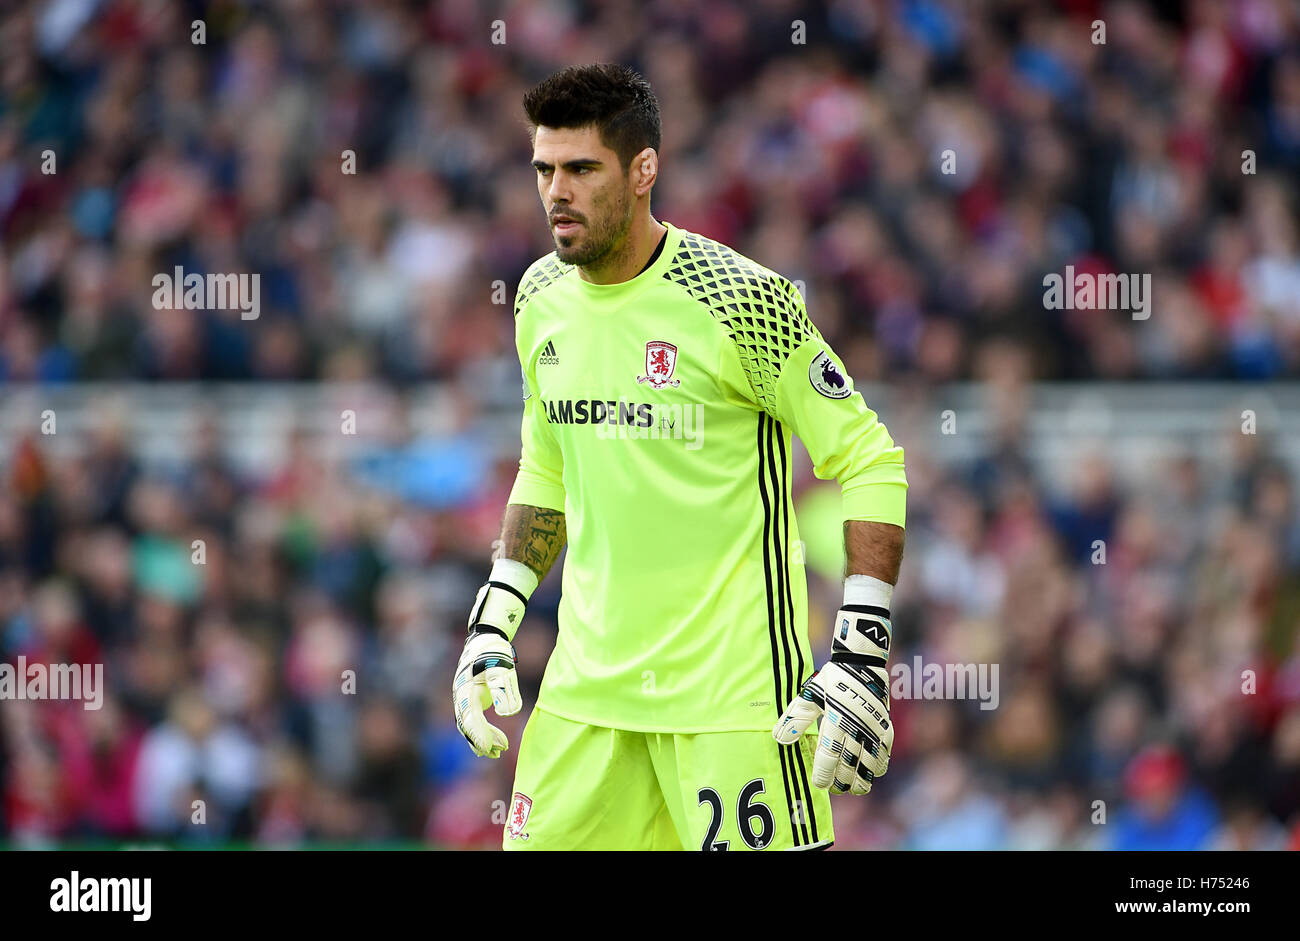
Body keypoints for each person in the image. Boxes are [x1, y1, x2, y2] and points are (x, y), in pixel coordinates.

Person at [452, 63, 908, 851]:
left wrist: (861, 648)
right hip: (585, 698)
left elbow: (870, 458)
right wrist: (496, 614)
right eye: (544, 170)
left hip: (734, 705)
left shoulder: (742, 300)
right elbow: (548, 467)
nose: (557, 192)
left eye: (581, 169)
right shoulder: (538, 298)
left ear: (643, 171)